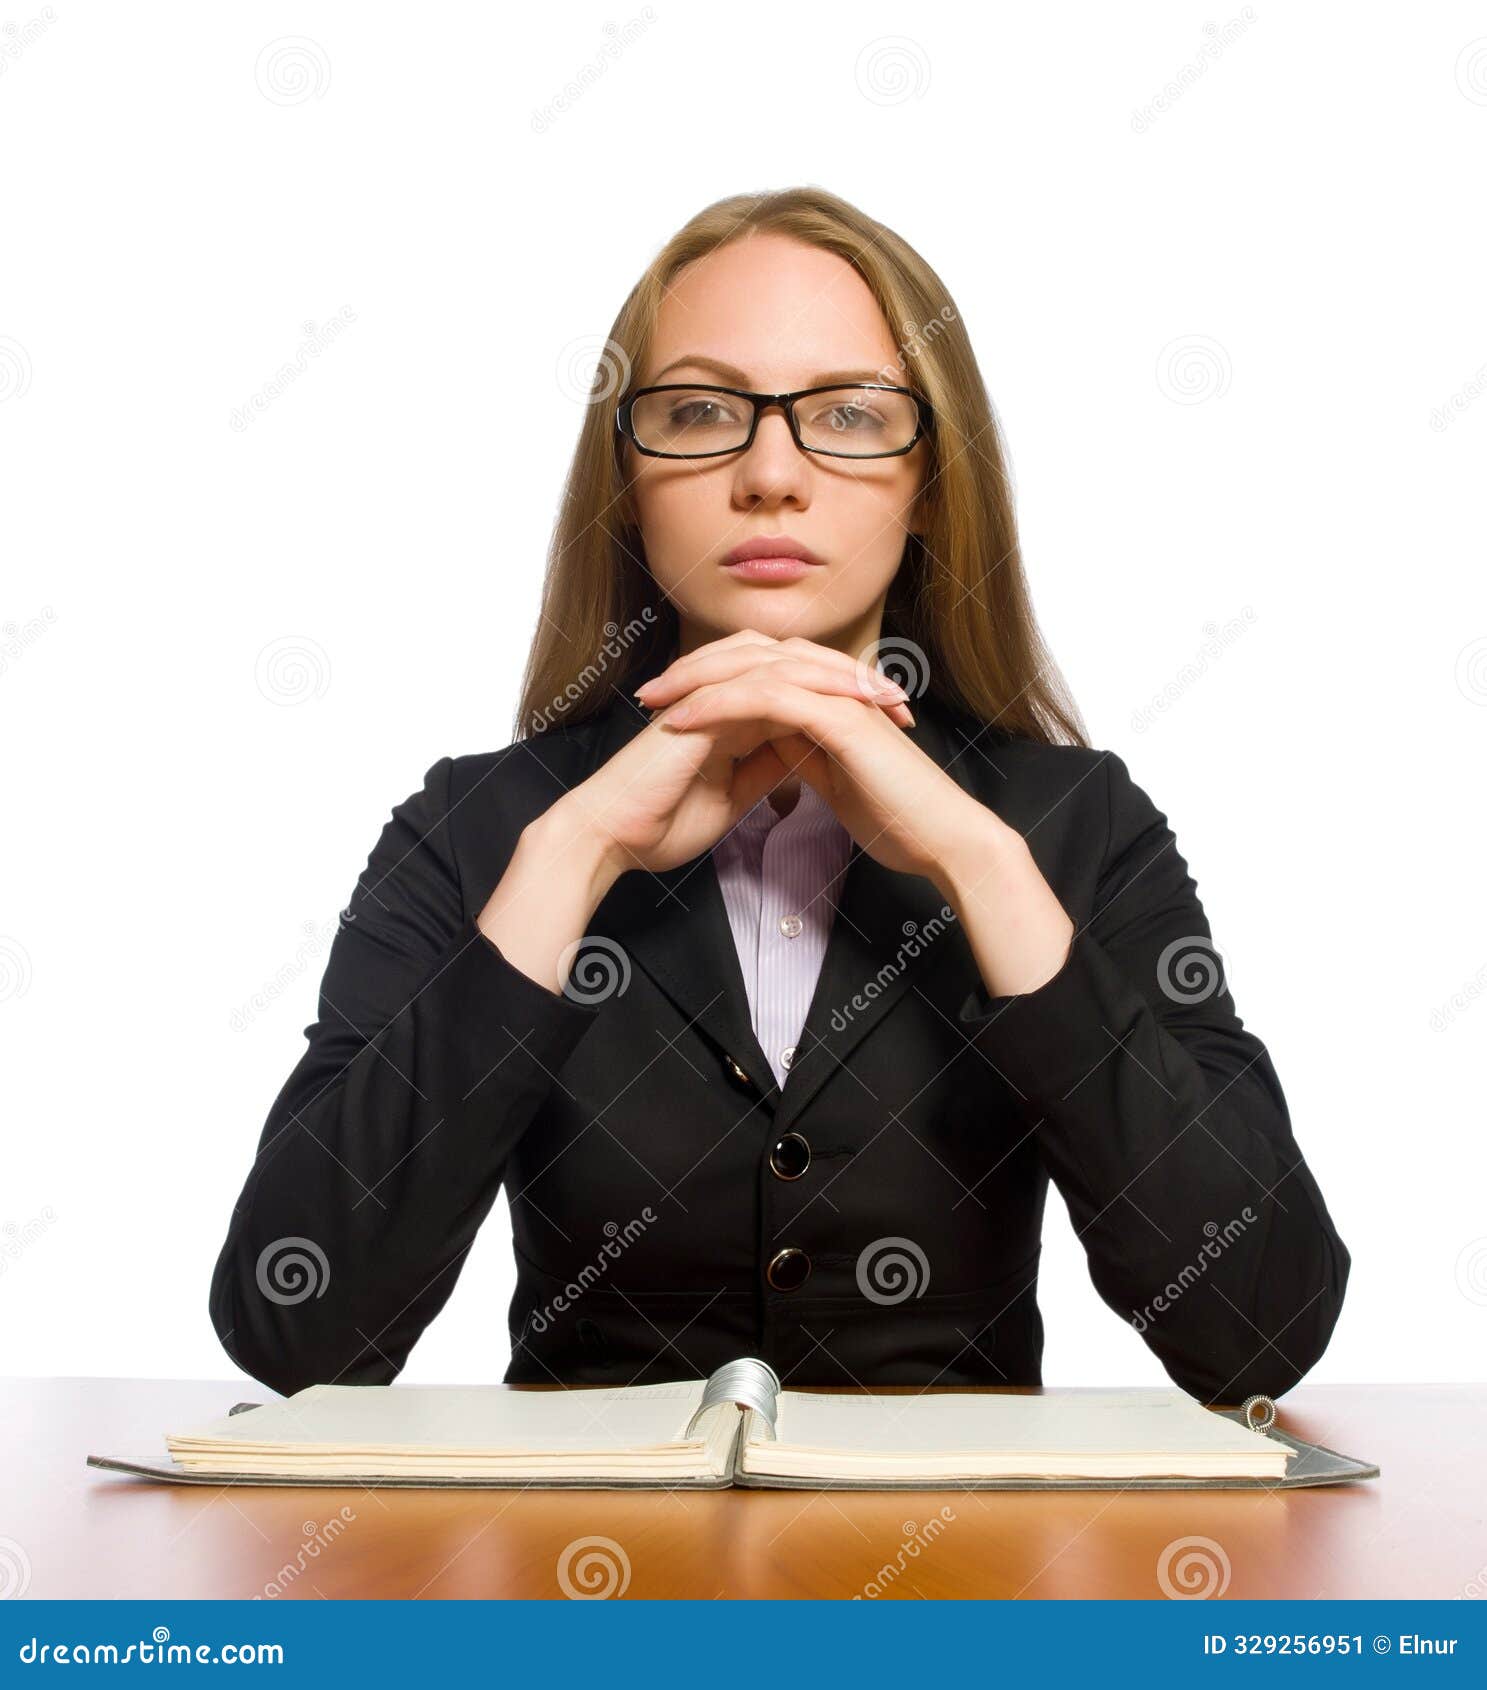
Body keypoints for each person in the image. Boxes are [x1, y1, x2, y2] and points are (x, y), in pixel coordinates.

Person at [209, 186, 1350, 1404]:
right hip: (581, 1580)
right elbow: (297, 1332)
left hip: (957, 1583)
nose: (768, 472)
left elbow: (1257, 1328)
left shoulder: (1073, 828)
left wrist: (981, 866)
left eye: (848, 416)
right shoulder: (480, 829)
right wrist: (572, 856)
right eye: (699, 411)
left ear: (928, 479)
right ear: (628, 478)